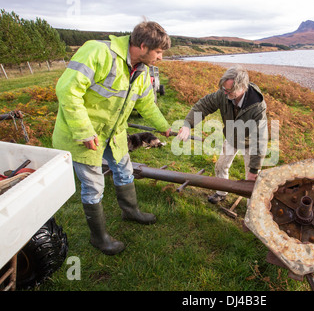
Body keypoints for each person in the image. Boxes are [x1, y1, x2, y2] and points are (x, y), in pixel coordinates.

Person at [52, 21, 172, 255]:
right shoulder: (97, 51)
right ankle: (99, 238)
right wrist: (84, 130)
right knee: (94, 186)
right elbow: (67, 90)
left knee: (124, 171)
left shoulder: (142, 70)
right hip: (83, 135)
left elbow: (146, 103)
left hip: (114, 135)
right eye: (158, 52)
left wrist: (164, 126)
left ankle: (131, 212)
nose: (161, 58)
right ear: (143, 45)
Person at [177, 65, 268, 204]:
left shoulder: (257, 106)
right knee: (220, 166)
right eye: (224, 89)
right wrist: (187, 124)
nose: (225, 93)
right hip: (231, 137)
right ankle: (221, 193)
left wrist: (254, 170)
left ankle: (252, 207)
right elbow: (203, 105)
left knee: (252, 180)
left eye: (229, 90)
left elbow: (259, 139)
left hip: (250, 142)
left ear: (242, 87)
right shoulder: (223, 93)